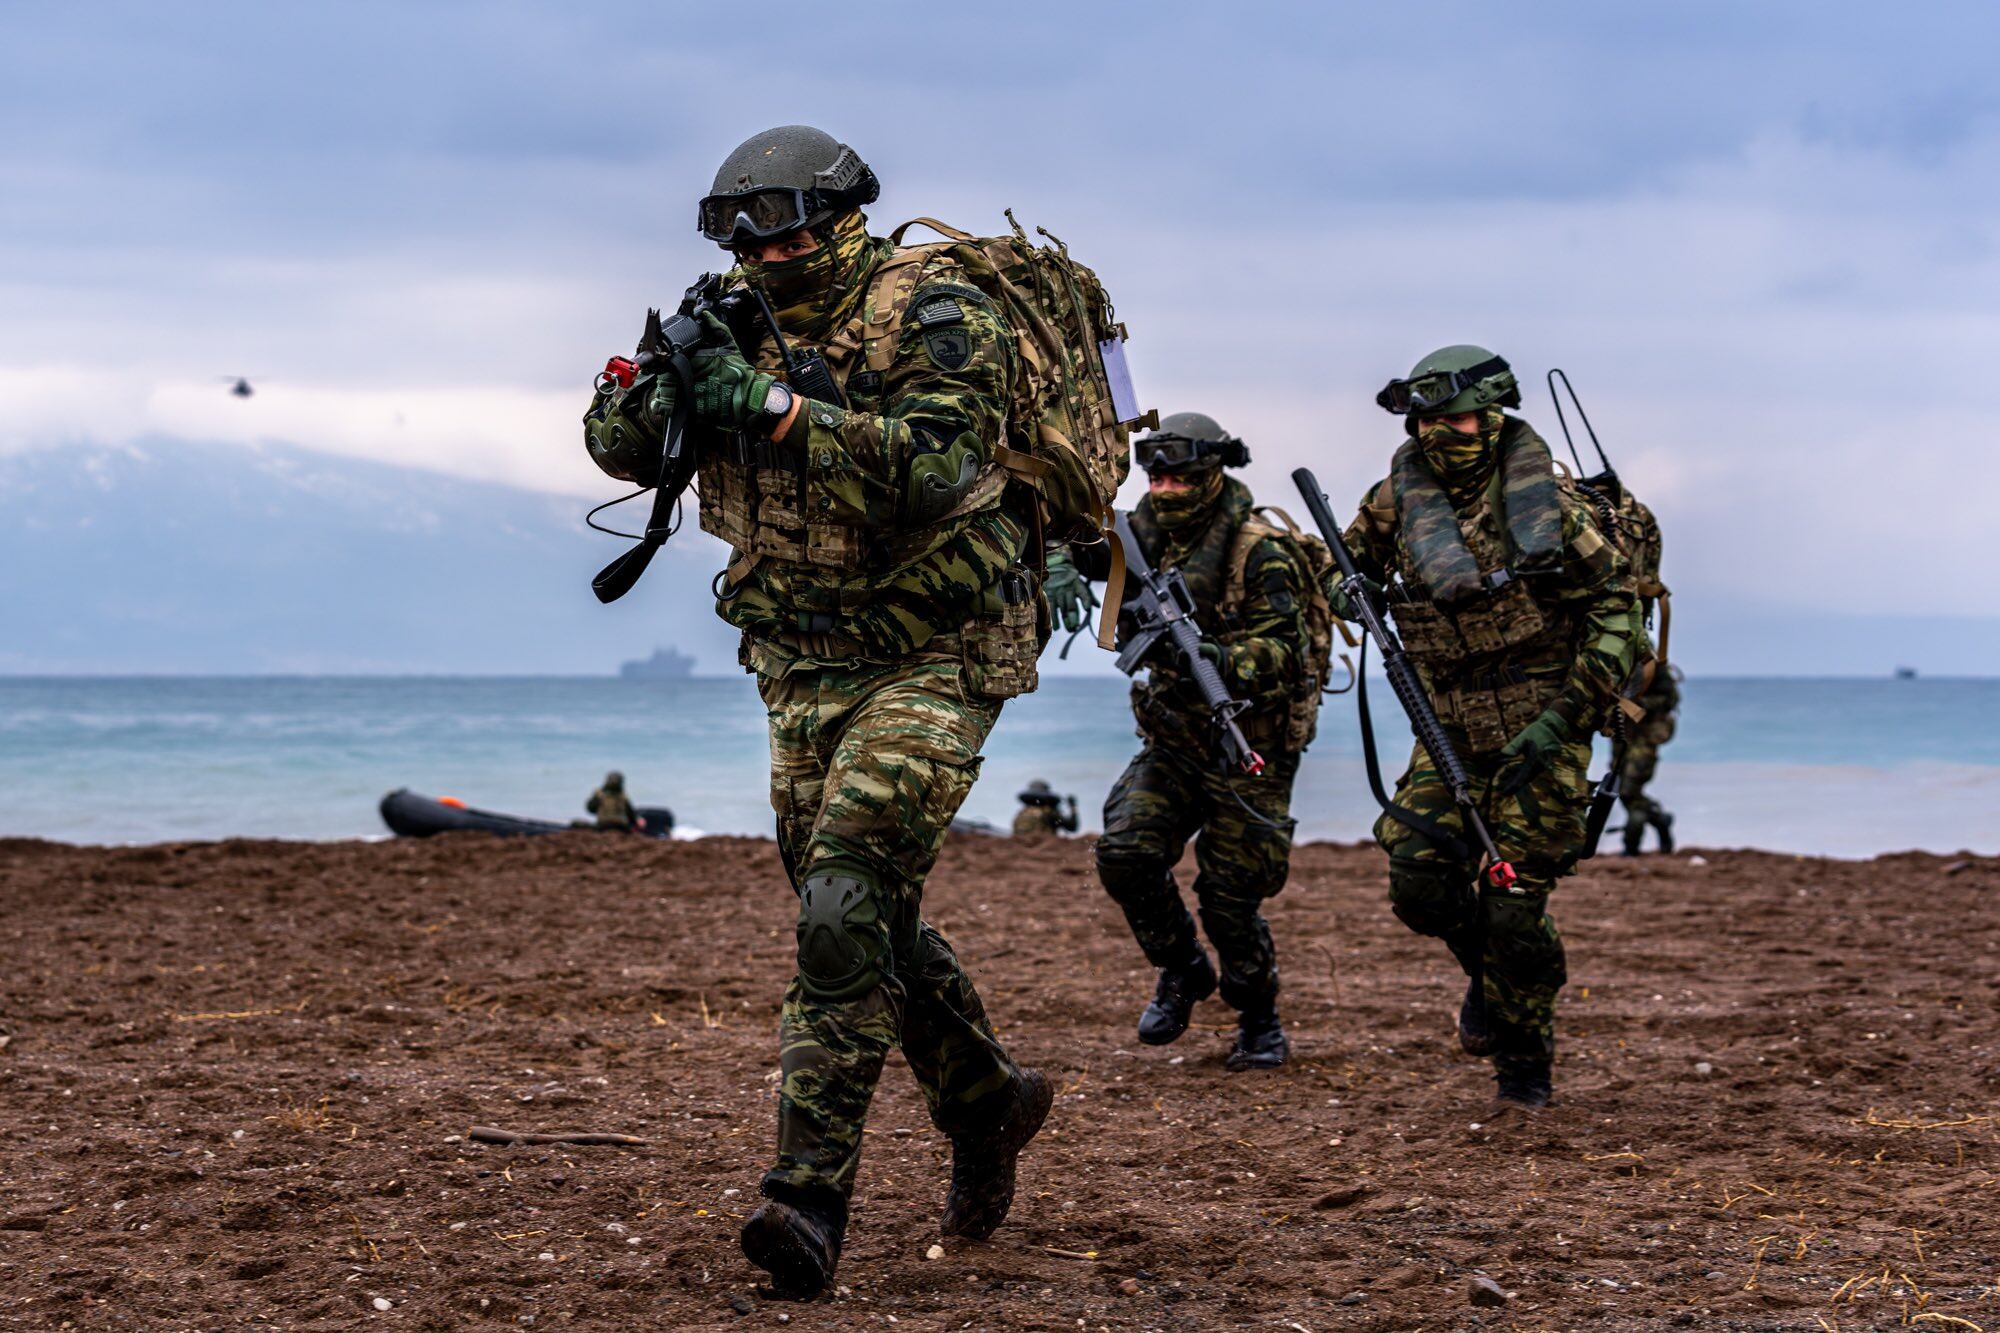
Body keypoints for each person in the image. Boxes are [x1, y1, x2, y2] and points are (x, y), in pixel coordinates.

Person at [583, 126, 1051, 1299]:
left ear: (840, 218)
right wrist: (659, 387)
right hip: (799, 660)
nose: (765, 252)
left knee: (841, 901)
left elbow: (938, 467)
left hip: (935, 653)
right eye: (742, 233)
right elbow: (610, 450)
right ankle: (986, 1100)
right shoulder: (726, 315)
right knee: (859, 913)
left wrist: (778, 409)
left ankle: (805, 1201)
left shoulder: (935, 313)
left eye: (787, 230)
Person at [1331, 347, 1642, 1109]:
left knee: (1513, 904)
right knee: (1418, 880)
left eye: (1458, 418)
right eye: (1428, 419)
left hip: (1544, 725)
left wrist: (1566, 718)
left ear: (1494, 415)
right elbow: (1345, 563)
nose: (1443, 433)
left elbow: (1617, 610)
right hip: (1447, 722)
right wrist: (1348, 588)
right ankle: (1487, 974)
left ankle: (1524, 1066)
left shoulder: (1549, 509)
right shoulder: (1395, 498)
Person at [1050, 412, 1329, 1071]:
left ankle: (1259, 1014)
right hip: (1174, 740)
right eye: (1156, 477)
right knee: (1125, 851)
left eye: (1180, 478)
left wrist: (1218, 657)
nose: (1165, 488)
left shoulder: (1258, 548)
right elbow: (1079, 542)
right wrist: (1060, 564)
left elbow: (1288, 652)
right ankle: (1181, 967)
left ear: (1212, 475)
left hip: (1248, 742)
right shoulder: (1139, 530)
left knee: (1230, 897)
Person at [1578, 476, 1678, 856]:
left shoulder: (1650, 666)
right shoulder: (1623, 662)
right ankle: (1656, 828)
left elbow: (1664, 700)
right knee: (1620, 786)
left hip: (1645, 733)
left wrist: (1636, 707)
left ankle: (1636, 844)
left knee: (1630, 788)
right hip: (1625, 732)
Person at [1012, 780, 1079, 839]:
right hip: (1044, 845)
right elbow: (1072, 827)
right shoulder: (1049, 812)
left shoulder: (1022, 812)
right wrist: (1073, 807)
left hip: (1022, 843)